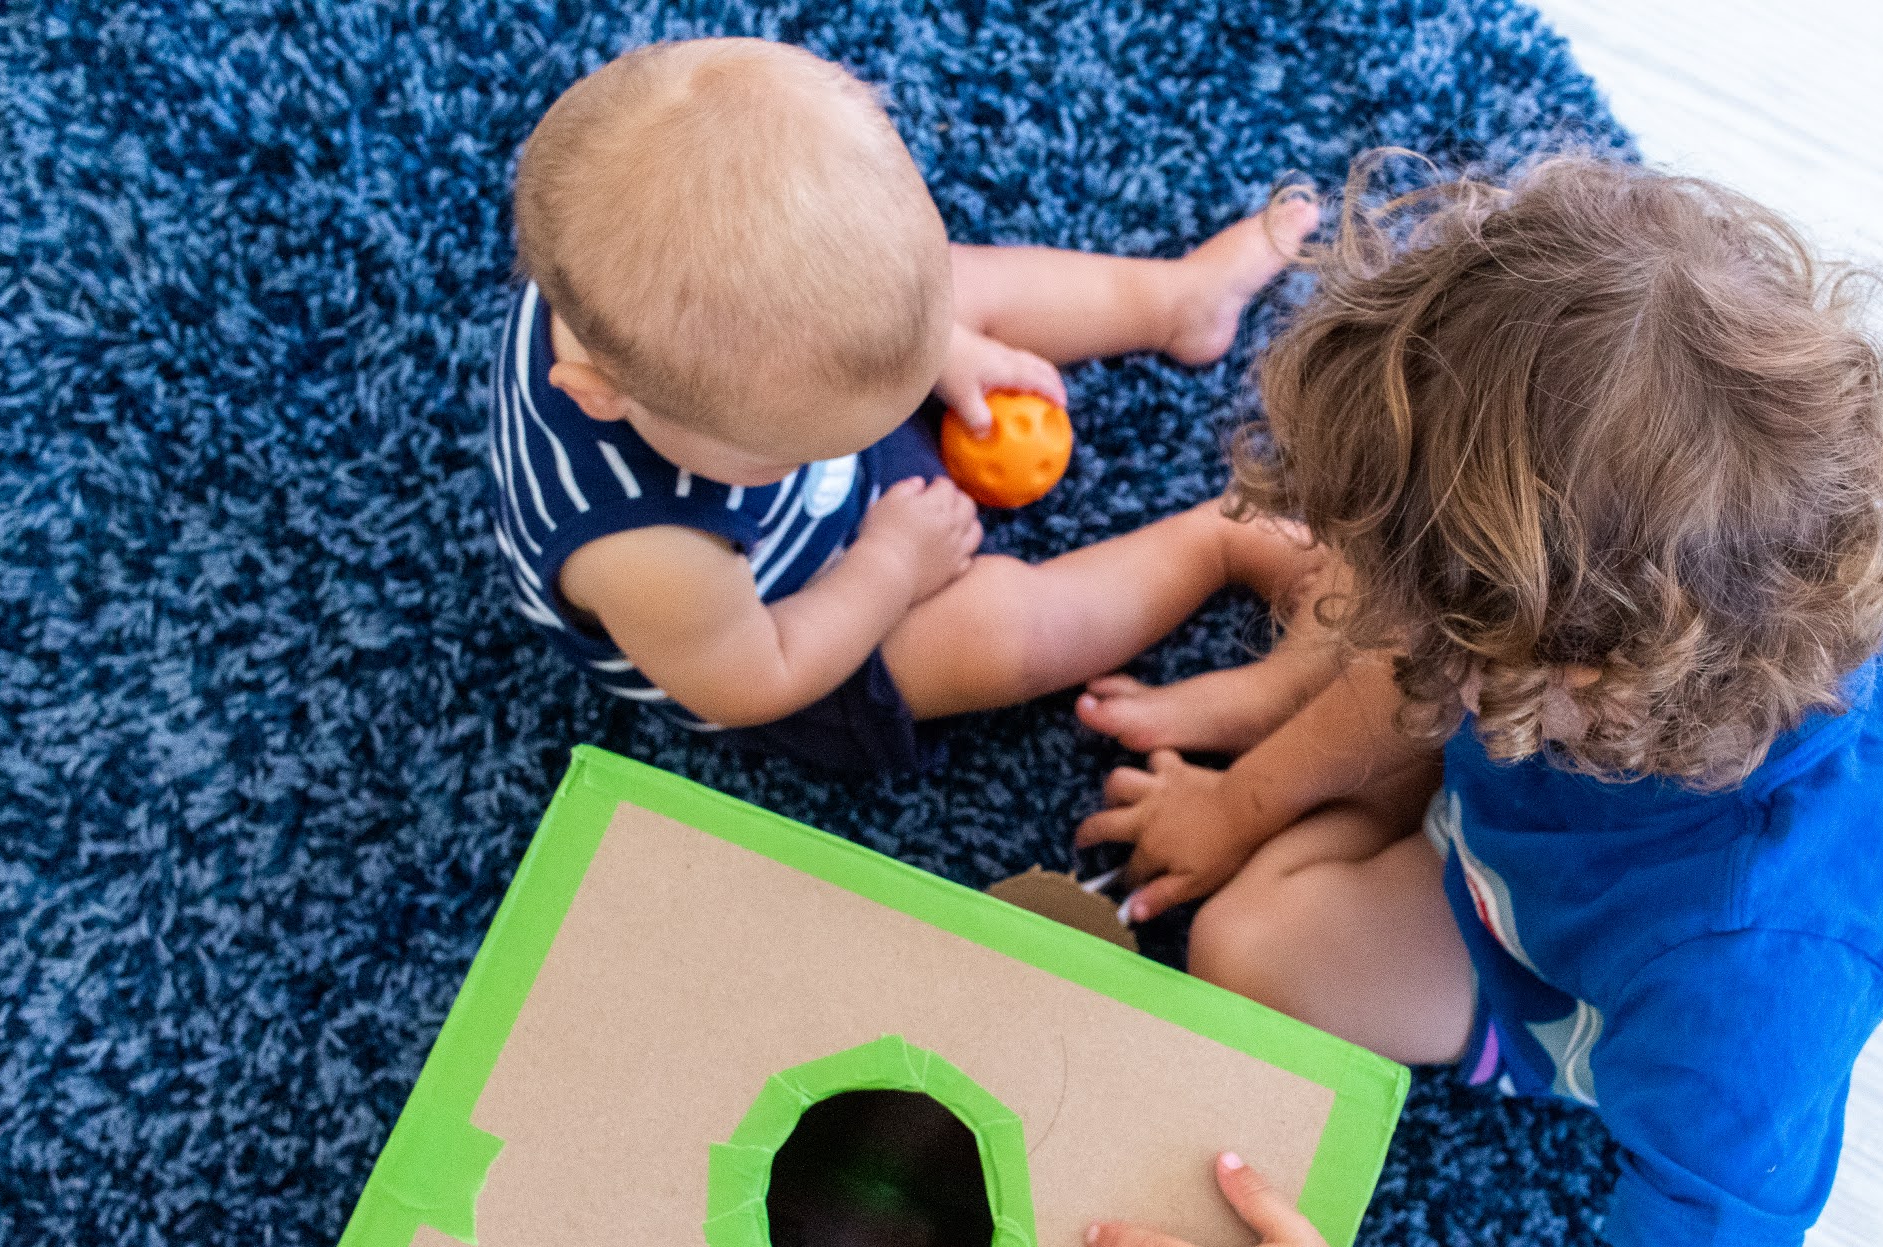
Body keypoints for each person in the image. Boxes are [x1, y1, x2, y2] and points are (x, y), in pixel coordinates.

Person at [1056, 154, 1883, 1247]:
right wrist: (1240, 801)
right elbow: (1418, 655)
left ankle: (1490, 999)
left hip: (1567, 957)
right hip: (1537, 732)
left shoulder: (1753, 970)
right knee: (1381, 601)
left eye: (1425, 636)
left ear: (1571, 674)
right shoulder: (1661, 578)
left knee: (1249, 951)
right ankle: (1351, 700)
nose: (1380, 628)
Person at [490, 36, 1324, 773]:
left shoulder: (623, 291)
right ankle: (1213, 545)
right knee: (1002, 633)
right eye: (799, 445)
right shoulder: (648, 549)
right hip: (799, 622)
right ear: (603, 396)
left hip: (801, 410)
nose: (889, 427)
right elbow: (755, 678)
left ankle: (1174, 303)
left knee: (952, 289)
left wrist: (939, 346)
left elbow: (871, 319)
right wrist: (889, 567)